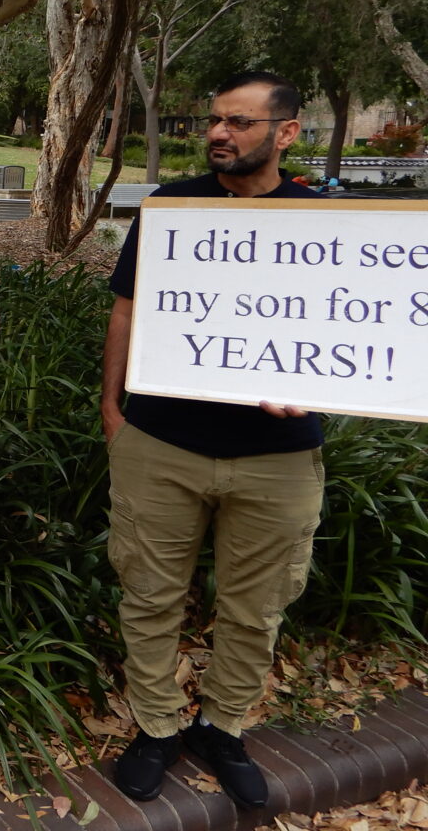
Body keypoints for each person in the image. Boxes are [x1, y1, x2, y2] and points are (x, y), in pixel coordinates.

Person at [102, 71, 324, 810]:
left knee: (257, 606)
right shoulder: (172, 208)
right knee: (148, 594)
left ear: (286, 132)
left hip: (279, 459)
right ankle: (158, 728)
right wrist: (113, 407)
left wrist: (325, 387)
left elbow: (360, 332)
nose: (219, 133)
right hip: (162, 442)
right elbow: (127, 310)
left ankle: (222, 727)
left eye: (239, 121)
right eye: (213, 121)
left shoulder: (331, 224)